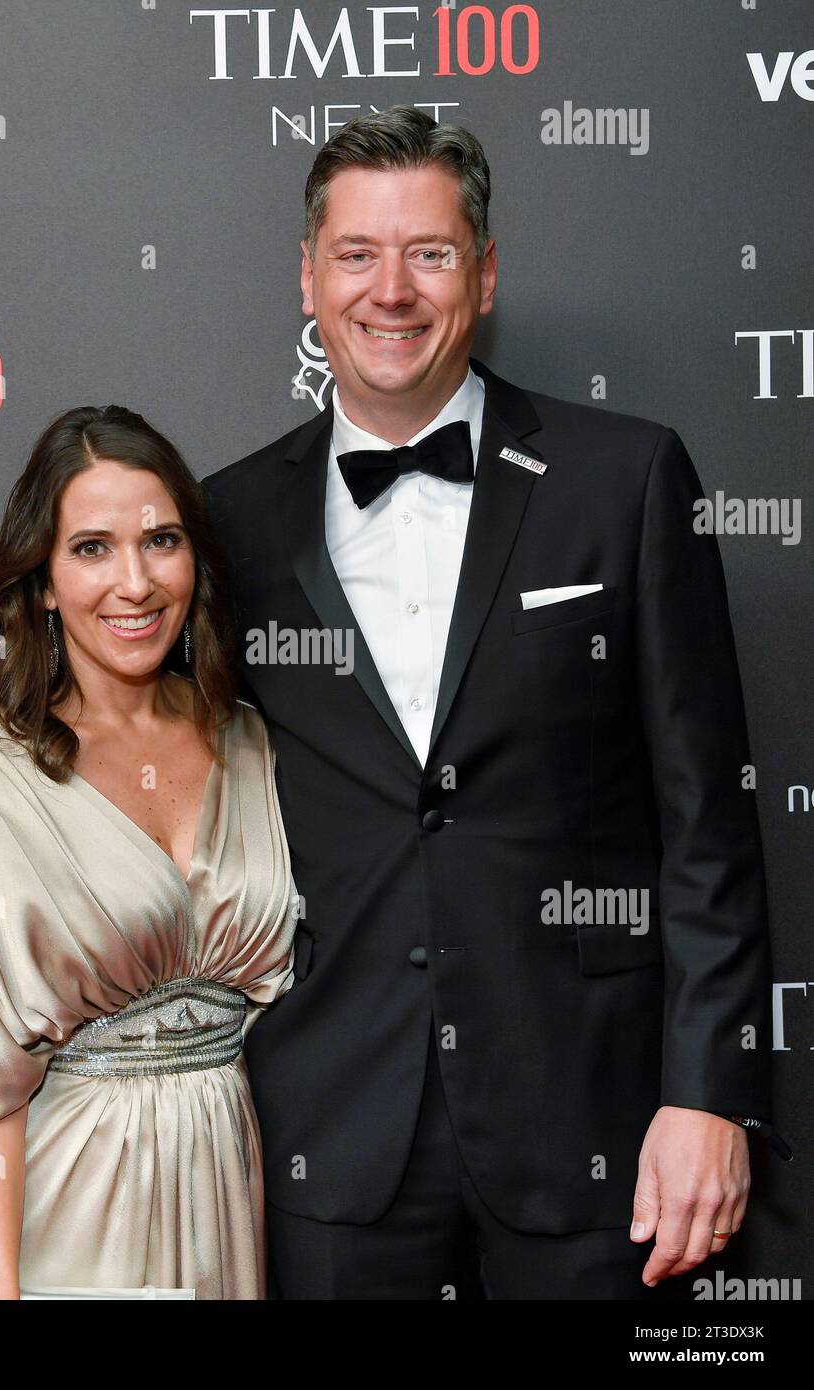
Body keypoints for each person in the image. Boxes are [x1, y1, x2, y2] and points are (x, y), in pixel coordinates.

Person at [200, 105, 789, 1300]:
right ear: (307, 276)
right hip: (326, 1128)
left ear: (483, 273)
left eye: (429, 252)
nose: (392, 290)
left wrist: (708, 1092)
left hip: (594, 1120)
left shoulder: (621, 479)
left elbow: (707, 825)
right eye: (357, 254)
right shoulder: (223, 524)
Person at [0, 405, 298, 1300]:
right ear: (43, 579)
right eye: (93, 548)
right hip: (63, 1205)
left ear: (197, 561)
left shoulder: (253, 744)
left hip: (221, 1190)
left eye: (162, 540)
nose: (134, 582)